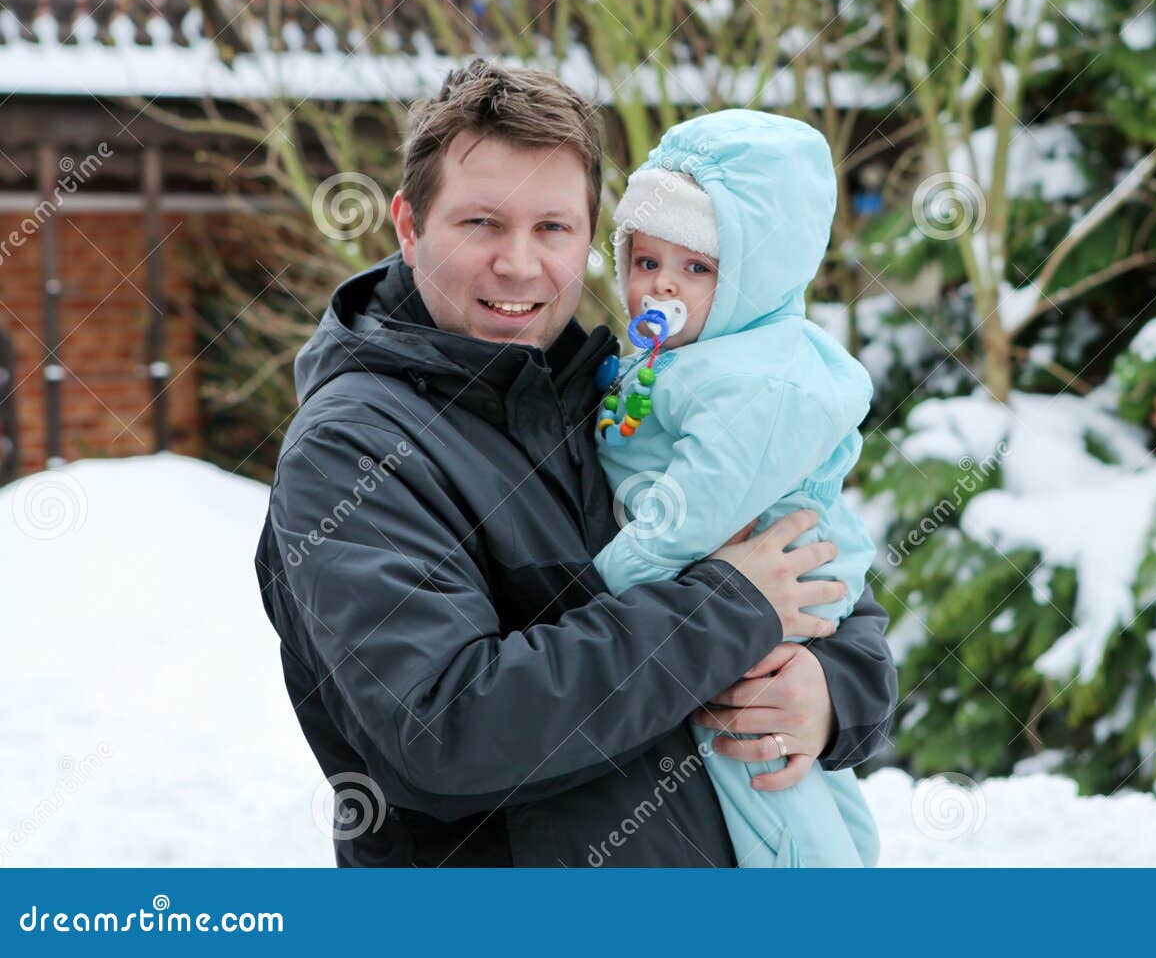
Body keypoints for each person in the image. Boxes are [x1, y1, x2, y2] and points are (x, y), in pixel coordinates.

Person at [252, 60, 898, 866]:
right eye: (481, 223)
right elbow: (443, 728)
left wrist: (830, 694)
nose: (519, 264)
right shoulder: (354, 450)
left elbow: (822, 579)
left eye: (553, 228)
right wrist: (725, 611)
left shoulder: (615, 396)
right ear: (409, 226)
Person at [596, 110, 880, 866]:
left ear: (754, 278)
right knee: (799, 782)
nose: (661, 285)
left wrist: (611, 578)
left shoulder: (756, 376)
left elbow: (702, 504)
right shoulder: (688, 355)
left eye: (696, 269)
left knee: (758, 762)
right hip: (731, 594)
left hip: (771, 598)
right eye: (645, 260)